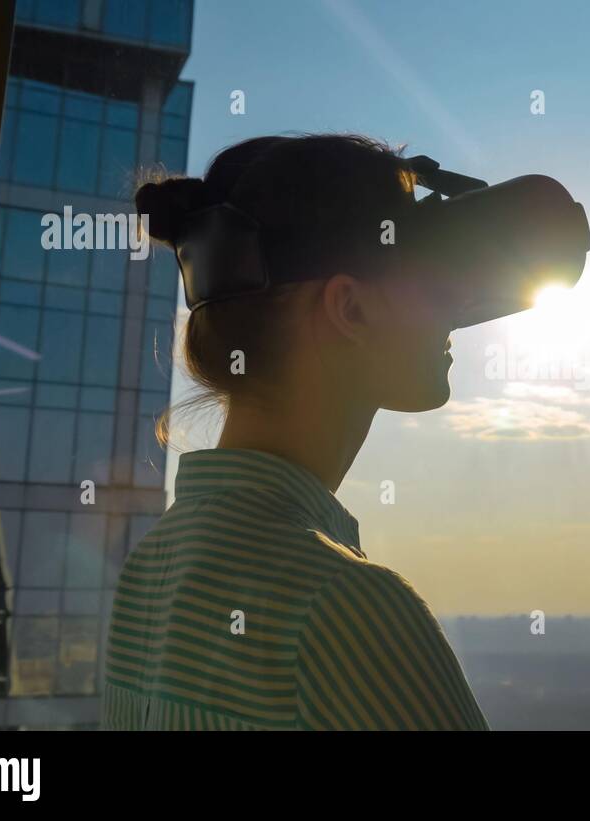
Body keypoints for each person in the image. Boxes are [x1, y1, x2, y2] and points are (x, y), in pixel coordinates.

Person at [102, 133, 488, 730]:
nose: (460, 301)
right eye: (429, 274)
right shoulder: (346, 607)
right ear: (350, 310)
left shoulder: (150, 569)